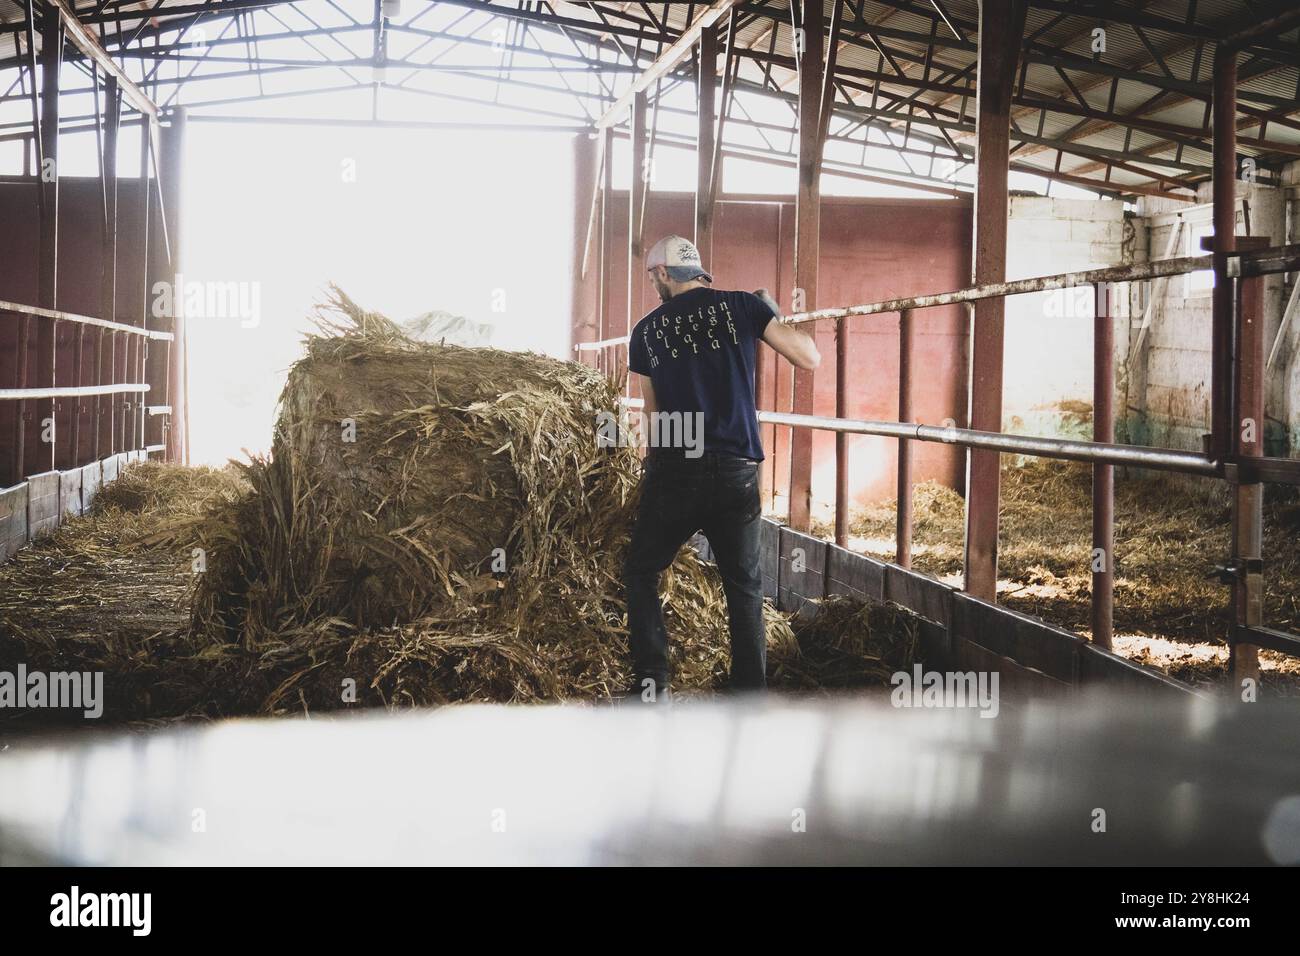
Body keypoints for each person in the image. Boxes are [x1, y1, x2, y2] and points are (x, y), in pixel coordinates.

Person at [621, 235, 820, 704]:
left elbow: (652, 417)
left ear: (665, 274)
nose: (653, 285)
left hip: (677, 471)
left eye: (654, 277)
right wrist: (774, 314)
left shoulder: (646, 331)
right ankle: (750, 693)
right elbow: (808, 357)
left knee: (641, 572)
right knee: (744, 585)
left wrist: (652, 476)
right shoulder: (741, 308)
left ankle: (654, 684)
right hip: (736, 470)